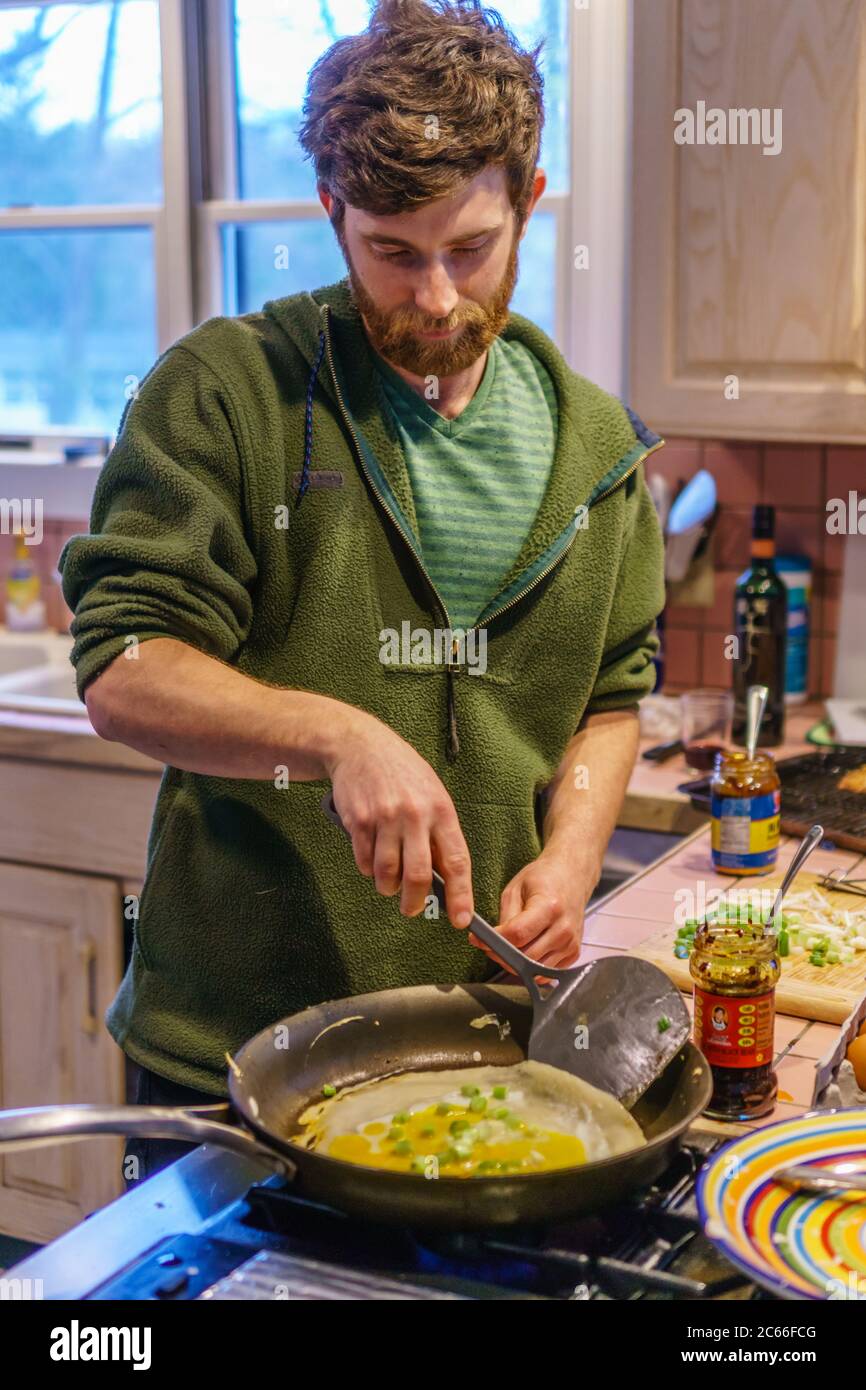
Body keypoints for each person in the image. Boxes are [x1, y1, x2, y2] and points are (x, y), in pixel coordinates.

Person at [59, 0, 665, 1185]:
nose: (435, 297)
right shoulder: (229, 393)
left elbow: (611, 694)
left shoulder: (600, 450)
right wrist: (338, 737)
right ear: (333, 214)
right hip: (234, 1059)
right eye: (392, 250)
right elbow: (124, 668)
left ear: (528, 201)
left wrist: (575, 849)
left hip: (489, 1045)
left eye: (471, 246)